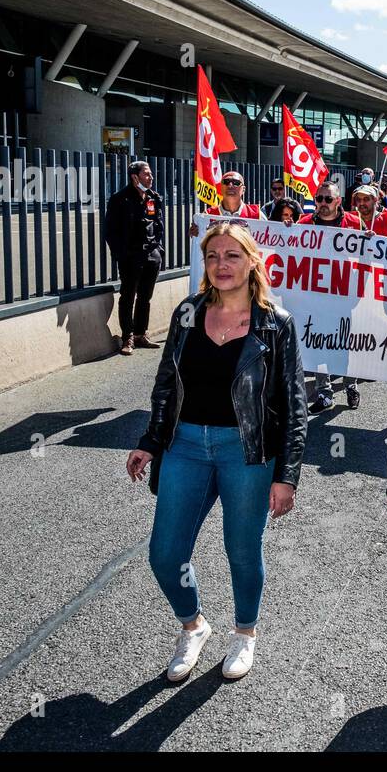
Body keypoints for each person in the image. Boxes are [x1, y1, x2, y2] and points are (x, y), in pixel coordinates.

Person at [126, 221, 307, 682]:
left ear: (252, 262)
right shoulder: (188, 313)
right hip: (185, 444)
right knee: (165, 554)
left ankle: (245, 634)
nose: (222, 264)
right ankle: (194, 625)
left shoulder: (276, 324)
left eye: (232, 255)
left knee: (242, 549)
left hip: (246, 451)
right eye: (213, 256)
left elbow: (294, 405)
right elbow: (167, 382)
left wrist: (286, 474)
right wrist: (151, 440)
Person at [297, 183, 363, 412]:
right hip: (314, 297)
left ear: (338, 201)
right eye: (319, 199)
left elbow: (368, 255)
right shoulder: (304, 224)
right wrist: (286, 232)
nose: (323, 203)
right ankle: (324, 393)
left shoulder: (354, 223)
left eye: (328, 199)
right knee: (317, 343)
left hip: (343, 296)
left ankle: (350, 384)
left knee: (343, 345)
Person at [105, 160, 165, 356]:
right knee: (128, 296)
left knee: (145, 297)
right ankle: (127, 336)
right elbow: (110, 231)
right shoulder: (119, 199)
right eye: (147, 174)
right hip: (131, 257)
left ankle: (141, 334)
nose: (151, 177)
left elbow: (159, 225)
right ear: (135, 177)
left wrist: (159, 251)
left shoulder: (154, 198)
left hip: (151, 256)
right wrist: (121, 254)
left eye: (150, 174)